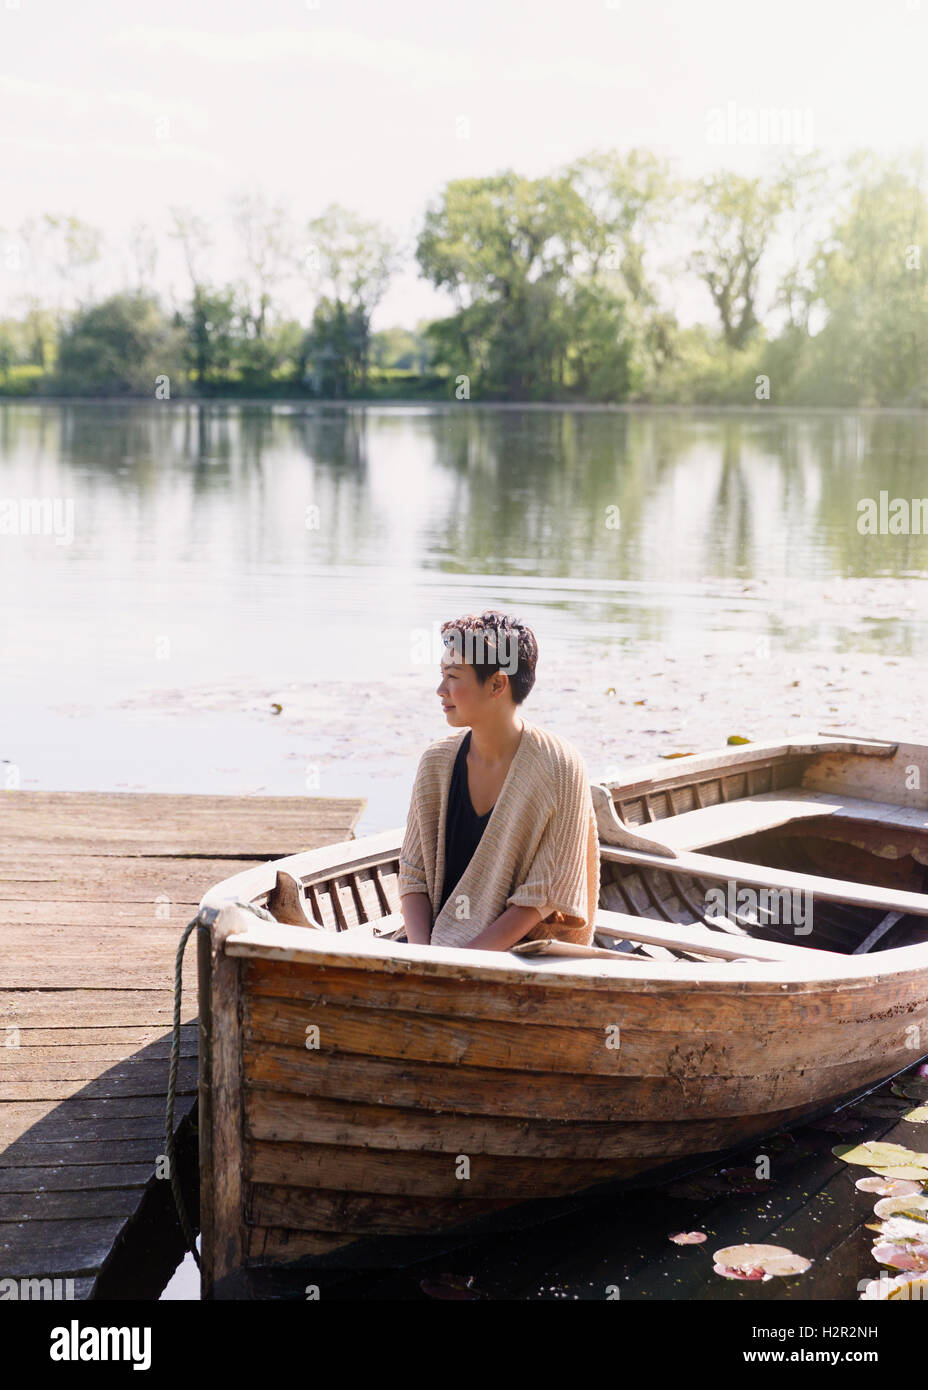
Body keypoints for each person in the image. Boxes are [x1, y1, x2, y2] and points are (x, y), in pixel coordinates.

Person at [398, 610, 600, 951]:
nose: (440, 690)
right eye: (441, 675)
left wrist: (464, 962)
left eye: (453, 676)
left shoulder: (561, 766)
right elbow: (413, 876)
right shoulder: (435, 762)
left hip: (524, 954)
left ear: (496, 684)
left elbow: (545, 894)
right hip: (431, 947)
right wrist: (421, 955)